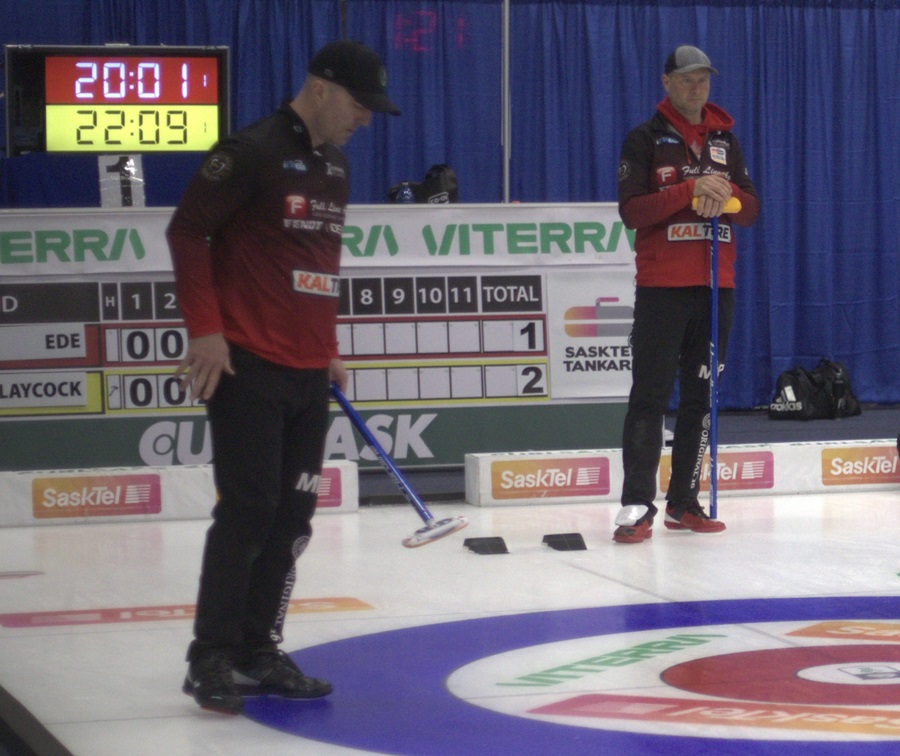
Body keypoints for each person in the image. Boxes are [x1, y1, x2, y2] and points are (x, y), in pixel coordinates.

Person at [167, 39, 400, 714]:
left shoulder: (336, 166)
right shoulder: (252, 151)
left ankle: (259, 650)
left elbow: (317, 263)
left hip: (307, 371)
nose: (364, 120)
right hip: (247, 364)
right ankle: (209, 658)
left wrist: (327, 344)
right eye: (359, 105)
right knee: (248, 512)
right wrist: (205, 330)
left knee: (293, 516)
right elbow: (188, 233)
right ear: (321, 87)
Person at [613, 46, 759, 544]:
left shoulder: (726, 140)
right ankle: (636, 506)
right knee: (649, 397)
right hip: (662, 289)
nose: (697, 88)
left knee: (701, 399)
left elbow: (751, 208)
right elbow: (632, 212)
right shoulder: (645, 138)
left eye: (704, 80)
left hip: (717, 287)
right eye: (687, 79)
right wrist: (690, 191)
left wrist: (727, 197)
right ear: (667, 82)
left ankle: (684, 502)